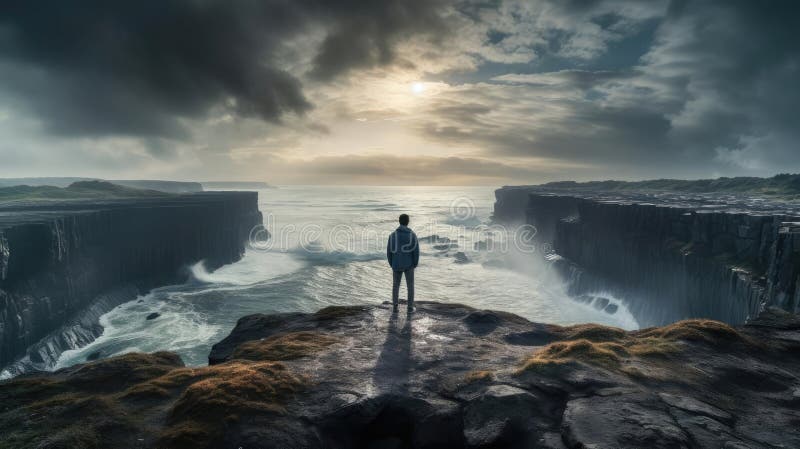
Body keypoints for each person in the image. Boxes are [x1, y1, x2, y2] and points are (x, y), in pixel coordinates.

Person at [387, 213, 419, 313]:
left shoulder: (392, 235)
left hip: (396, 263)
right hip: (409, 264)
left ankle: (395, 307)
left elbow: (389, 251)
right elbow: (416, 251)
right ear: (408, 222)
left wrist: (392, 263)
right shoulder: (412, 235)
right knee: (410, 285)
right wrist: (415, 263)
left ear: (399, 221)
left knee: (395, 285)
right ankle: (409, 307)